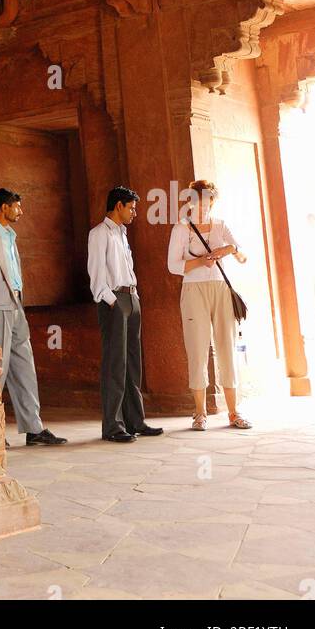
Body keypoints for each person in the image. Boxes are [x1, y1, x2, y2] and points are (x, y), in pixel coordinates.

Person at [0, 189, 67, 447]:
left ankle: (34, 429)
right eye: (17, 207)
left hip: (15, 305)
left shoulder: (11, 236)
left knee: (25, 367)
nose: (20, 212)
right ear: (4, 207)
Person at [167, 178, 251, 431]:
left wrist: (230, 249)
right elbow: (172, 266)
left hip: (220, 289)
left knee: (227, 345)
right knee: (197, 347)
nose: (203, 207)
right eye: (198, 202)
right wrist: (201, 260)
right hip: (194, 291)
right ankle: (200, 413)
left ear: (212, 202)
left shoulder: (220, 225)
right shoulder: (181, 228)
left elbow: (244, 257)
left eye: (207, 203)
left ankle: (234, 412)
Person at [87, 187, 164, 443]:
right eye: (131, 207)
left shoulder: (122, 234)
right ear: (118, 206)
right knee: (115, 364)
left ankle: (135, 421)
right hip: (114, 301)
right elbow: (97, 276)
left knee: (132, 363)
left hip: (131, 298)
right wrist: (112, 302)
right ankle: (113, 426)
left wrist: (135, 297)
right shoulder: (99, 234)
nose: (134, 212)